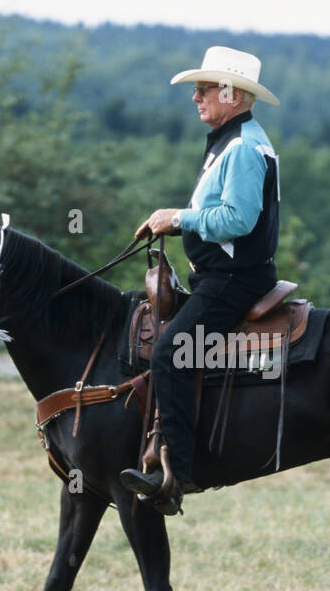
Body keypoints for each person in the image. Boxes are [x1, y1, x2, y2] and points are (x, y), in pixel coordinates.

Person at [120, 46, 281, 515]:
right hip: (219, 275)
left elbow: (238, 219)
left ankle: (177, 477)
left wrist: (179, 218)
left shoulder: (245, 148)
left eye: (204, 89)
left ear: (232, 94)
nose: (195, 97)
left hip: (234, 280)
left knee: (171, 354)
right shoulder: (231, 141)